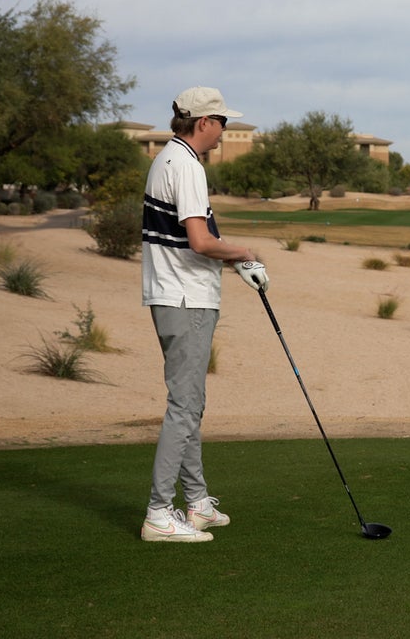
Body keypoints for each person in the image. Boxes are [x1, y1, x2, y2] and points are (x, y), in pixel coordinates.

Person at [139, 86, 270, 542]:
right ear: (203, 123)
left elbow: (189, 241)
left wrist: (233, 261)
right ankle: (159, 514)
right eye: (222, 123)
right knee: (185, 406)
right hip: (186, 299)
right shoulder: (187, 165)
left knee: (190, 402)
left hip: (173, 295)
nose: (224, 132)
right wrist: (246, 252)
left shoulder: (166, 159)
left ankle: (196, 503)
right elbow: (200, 241)